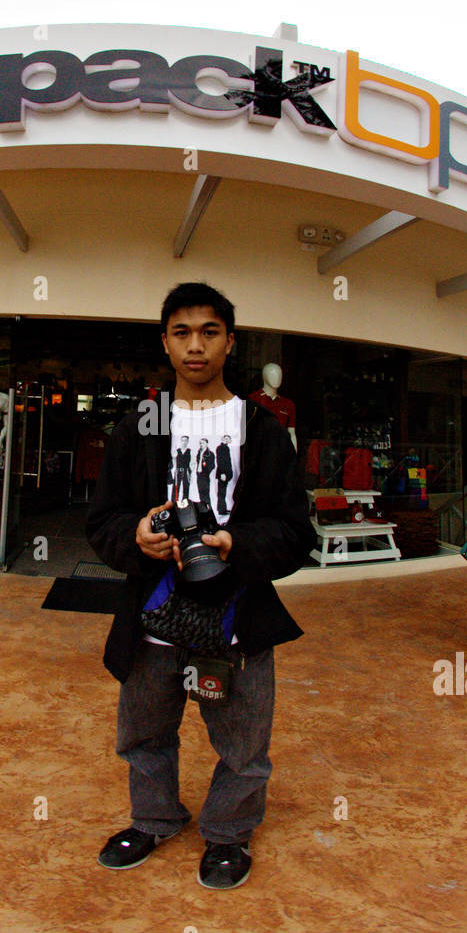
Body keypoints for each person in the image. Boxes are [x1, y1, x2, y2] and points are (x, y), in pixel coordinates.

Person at [83, 282, 311, 892]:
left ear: (230, 342)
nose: (195, 345)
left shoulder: (261, 431)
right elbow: (100, 520)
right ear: (164, 342)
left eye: (209, 332)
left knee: (243, 740)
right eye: (181, 333)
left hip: (234, 610)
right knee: (144, 730)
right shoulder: (137, 427)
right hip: (154, 610)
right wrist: (135, 536)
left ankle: (228, 833)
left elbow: (295, 531)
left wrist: (240, 544)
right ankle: (153, 818)